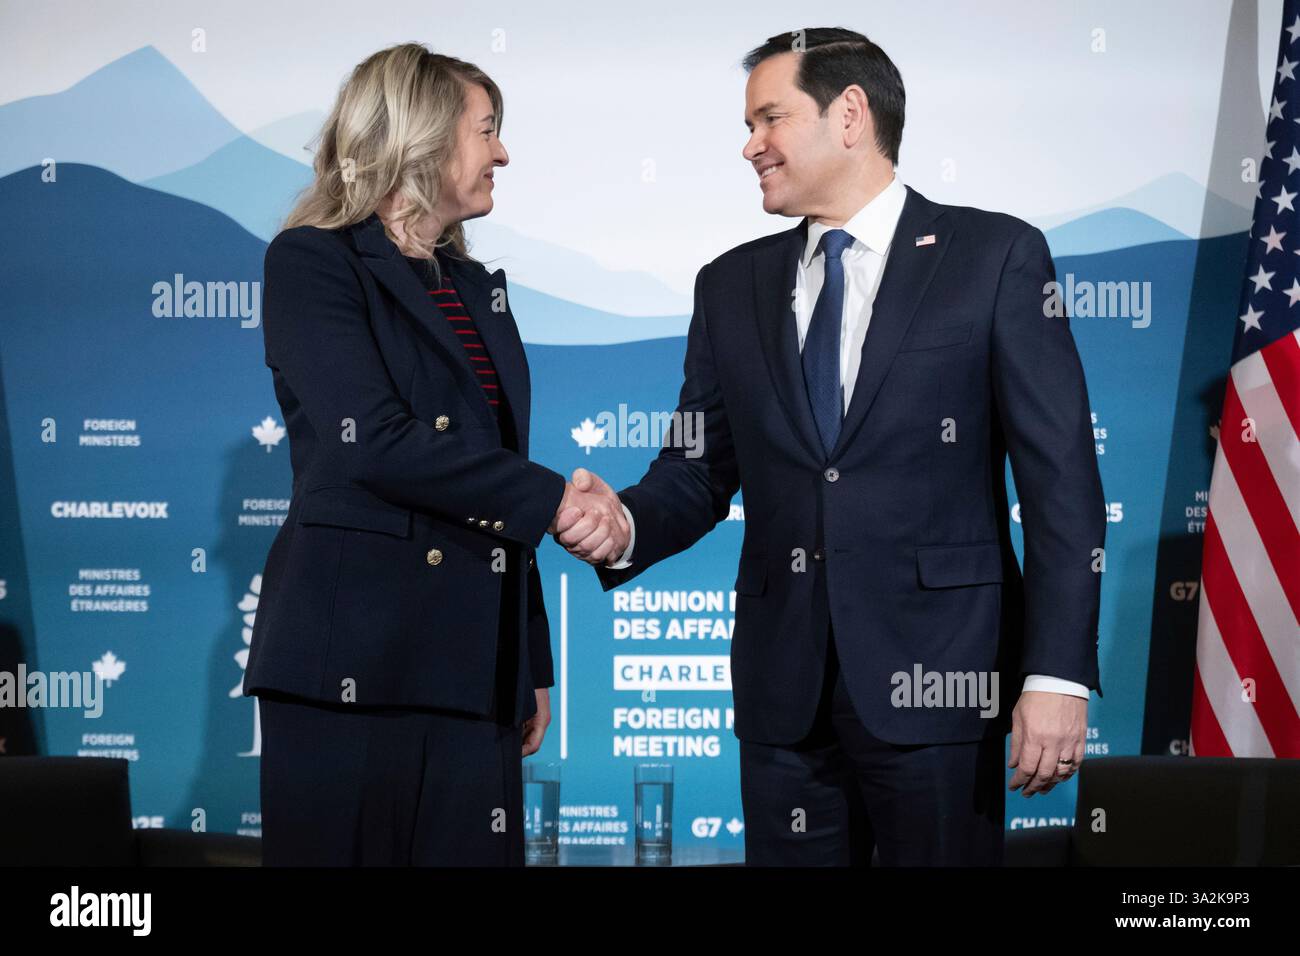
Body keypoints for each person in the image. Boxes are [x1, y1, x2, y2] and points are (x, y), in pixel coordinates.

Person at [554, 27, 1105, 865]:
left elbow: (1062, 481)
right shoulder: (731, 284)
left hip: (943, 683)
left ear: (850, 115)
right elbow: (698, 470)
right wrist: (624, 523)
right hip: (785, 696)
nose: (750, 145)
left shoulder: (994, 257)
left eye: (769, 118)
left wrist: (1056, 674)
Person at [242, 42, 624, 866]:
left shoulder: (475, 288)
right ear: (419, 136)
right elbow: (370, 442)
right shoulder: (312, 262)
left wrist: (526, 657)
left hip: (473, 675)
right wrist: (557, 500)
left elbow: (491, 471)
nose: (503, 152)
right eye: (488, 130)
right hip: (354, 667)